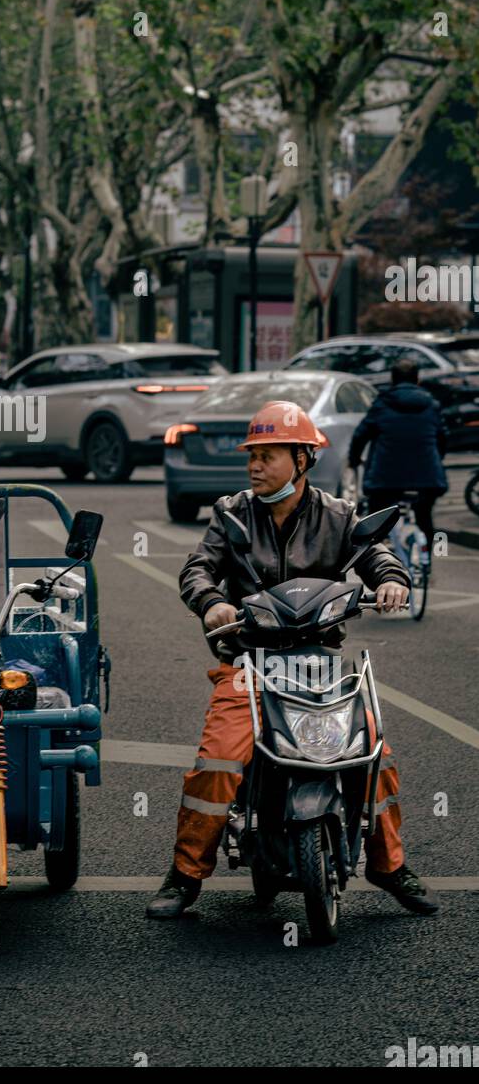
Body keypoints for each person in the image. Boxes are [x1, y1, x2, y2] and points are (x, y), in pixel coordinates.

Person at [146, 400, 439, 920]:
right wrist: (212, 602)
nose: (255, 466)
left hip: (319, 662)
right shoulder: (231, 513)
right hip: (250, 664)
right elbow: (199, 568)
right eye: (252, 456)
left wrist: (392, 580)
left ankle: (389, 865)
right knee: (217, 761)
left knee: (376, 755)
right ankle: (186, 875)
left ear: (301, 459)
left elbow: (377, 553)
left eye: (268, 455)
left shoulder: (338, 514)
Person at [348, 357, 447, 550]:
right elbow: (442, 438)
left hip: (386, 478)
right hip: (427, 477)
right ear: (417, 380)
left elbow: (360, 435)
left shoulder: (382, 404)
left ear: (392, 381)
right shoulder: (432, 405)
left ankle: (381, 554)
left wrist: (354, 460)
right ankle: (428, 558)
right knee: (424, 514)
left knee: (379, 519)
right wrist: (437, 460)